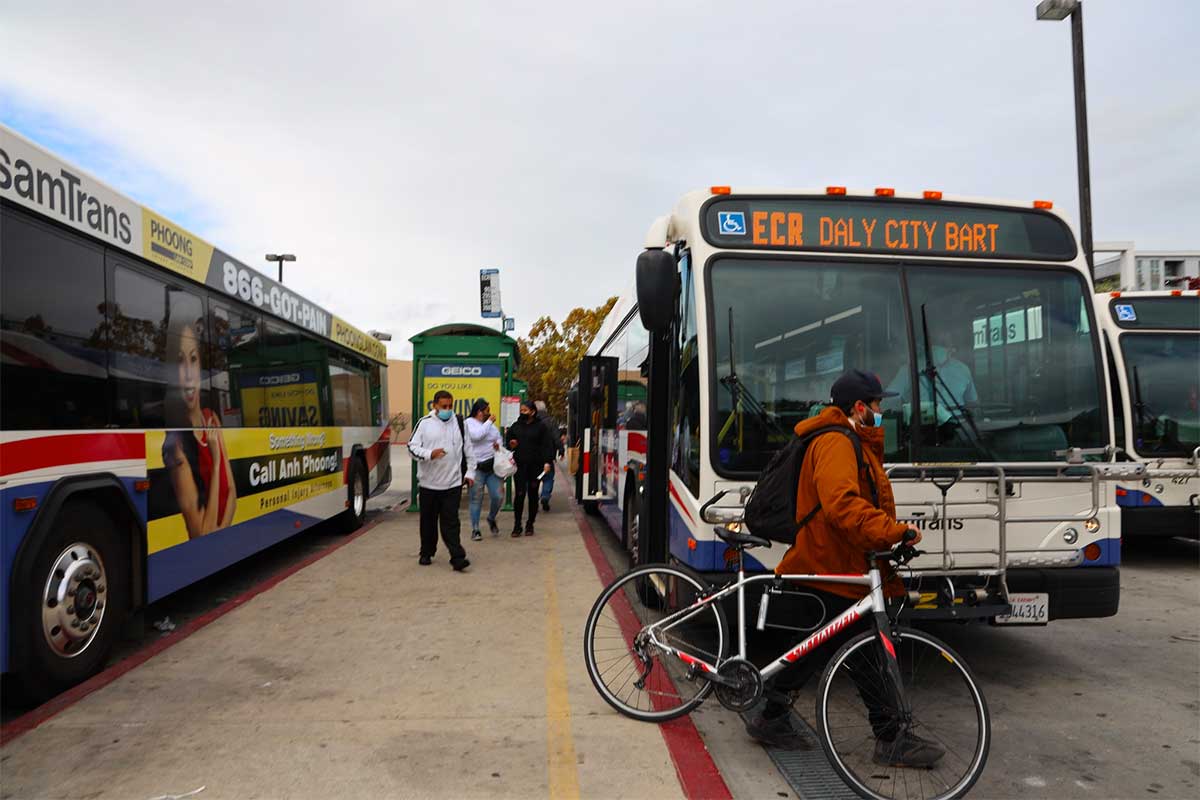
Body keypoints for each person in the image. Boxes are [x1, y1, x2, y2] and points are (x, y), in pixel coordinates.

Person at [744, 369, 944, 769]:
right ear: (859, 407)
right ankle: (890, 737)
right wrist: (892, 531)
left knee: (818, 645)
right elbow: (842, 506)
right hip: (831, 561)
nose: (881, 411)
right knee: (859, 650)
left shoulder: (850, 439)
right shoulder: (836, 442)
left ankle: (772, 715)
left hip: (838, 560)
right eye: (877, 404)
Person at [162, 311, 236, 539]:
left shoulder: (211, 419)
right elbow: (201, 535)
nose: (188, 375)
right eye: (179, 362)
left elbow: (232, 494)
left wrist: (221, 533)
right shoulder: (175, 447)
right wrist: (216, 463)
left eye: (193, 359)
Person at [407, 390, 475, 570]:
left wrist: (470, 472)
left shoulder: (460, 423)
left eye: (450, 406)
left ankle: (457, 557)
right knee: (428, 522)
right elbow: (412, 448)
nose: (447, 409)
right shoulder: (424, 423)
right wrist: (429, 454)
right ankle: (426, 552)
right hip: (429, 484)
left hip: (453, 483)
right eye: (444, 406)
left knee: (451, 522)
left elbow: (468, 449)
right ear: (435, 405)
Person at [506, 398, 554, 536]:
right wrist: (511, 444)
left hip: (535, 466)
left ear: (533, 412)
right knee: (519, 494)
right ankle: (517, 525)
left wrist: (547, 462)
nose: (523, 413)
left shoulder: (541, 427)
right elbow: (508, 442)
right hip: (520, 466)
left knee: (533, 495)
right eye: (521, 410)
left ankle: (530, 523)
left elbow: (547, 445)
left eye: (525, 410)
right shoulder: (516, 426)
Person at [465, 399, 503, 540]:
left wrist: (498, 445)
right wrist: (489, 422)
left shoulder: (491, 426)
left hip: (492, 467)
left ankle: (491, 517)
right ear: (479, 411)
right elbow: (476, 436)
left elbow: (498, 438)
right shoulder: (469, 423)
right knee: (476, 499)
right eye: (486, 411)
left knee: (498, 496)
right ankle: (475, 529)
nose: (489, 413)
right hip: (477, 467)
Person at [535, 400, 564, 512]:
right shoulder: (551, 421)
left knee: (534, 479)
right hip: (548, 456)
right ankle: (545, 495)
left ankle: (534, 498)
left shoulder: (531, 421)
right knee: (548, 478)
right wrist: (561, 450)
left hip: (534, 457)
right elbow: (556, 438)